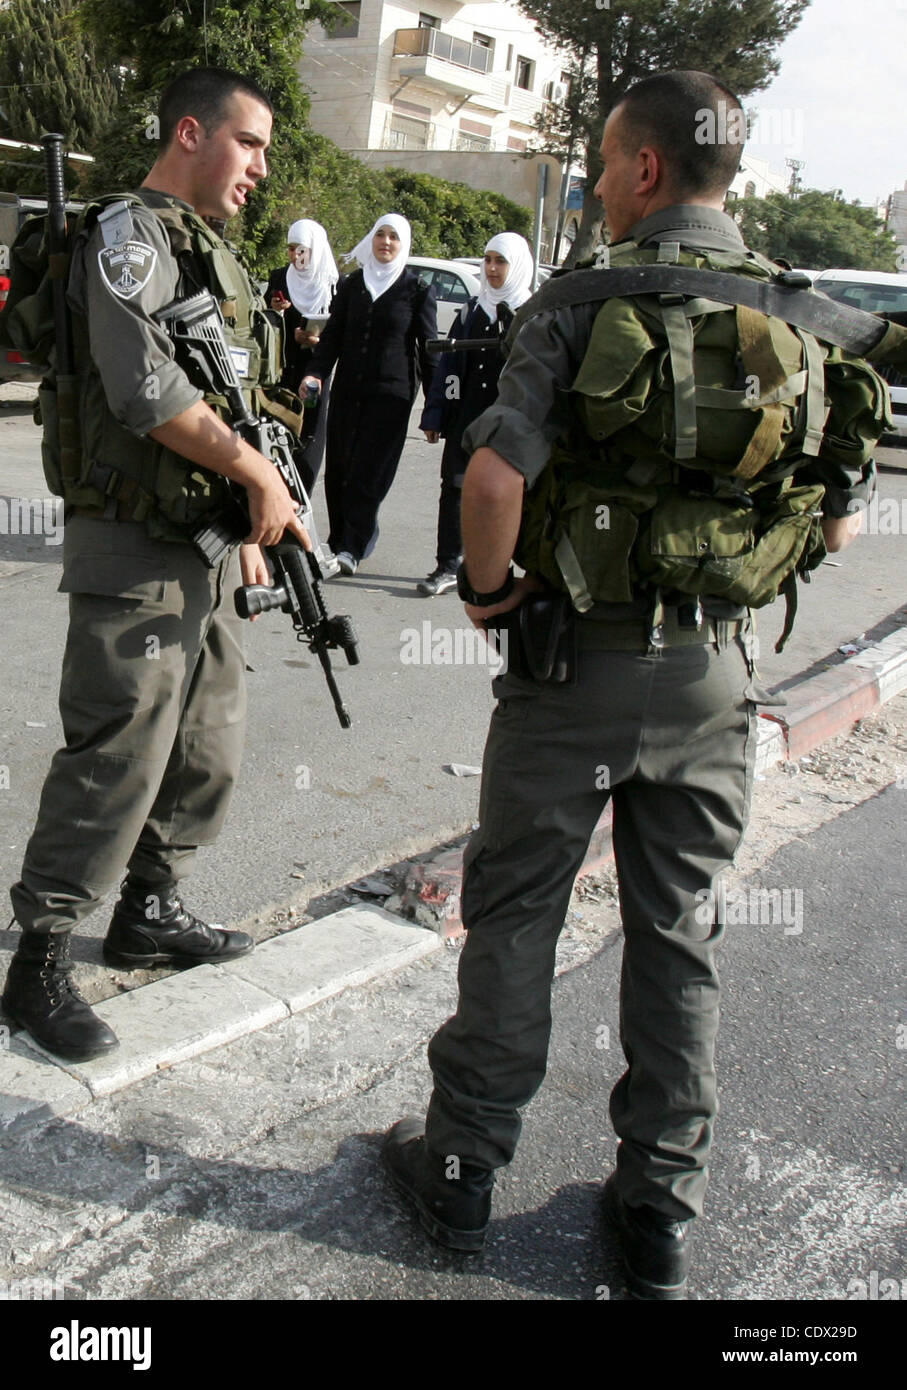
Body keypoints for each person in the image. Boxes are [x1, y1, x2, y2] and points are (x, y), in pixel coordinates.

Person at [381, 70, 888, 1299]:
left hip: (572, 668)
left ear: (648, 169)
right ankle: (659, 1206)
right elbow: (833, 526)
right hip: (717, 673)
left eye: (607, 163)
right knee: (681, 933)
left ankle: (461, 1172)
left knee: (515, 915)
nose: (599, 183)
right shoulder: (802, 318)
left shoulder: (577, 303)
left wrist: (491, 594)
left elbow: (492, 481)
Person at [1, 67, 309, 1063]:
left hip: (205, 541)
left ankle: (149, 906)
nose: (262, 166)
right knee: (119, 746)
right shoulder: (129, 234)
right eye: (249, 142)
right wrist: (252, 470)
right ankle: (39, 961)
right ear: (190, 131)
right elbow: (142, 390)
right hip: (134, 537)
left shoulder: (208, 249)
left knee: (206, 741)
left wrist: (258, 508)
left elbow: (235, 390)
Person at [302, 214, 436, 576]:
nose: (386, 243)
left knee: (370, 471)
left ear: (403, 243)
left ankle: (353, 545)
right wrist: (315, 372)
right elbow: (332, 337)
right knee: (341, 467)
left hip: (392, 396)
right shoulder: (353, 285)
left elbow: (429, 349)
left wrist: (435, 409)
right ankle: (338, 540)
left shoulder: (417, 289)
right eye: (380, 235)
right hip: (349, 390)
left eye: (394, 237)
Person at [417, 233, 533, 596]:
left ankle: (497, 572)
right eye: (488, 260)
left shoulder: (530, 313)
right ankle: (448, 565)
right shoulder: (472, 310)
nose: (493, 269)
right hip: (467, 417)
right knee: (453, 487)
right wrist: (437, 414)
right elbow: (450, 367)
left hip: (508, 421)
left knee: (505, 495)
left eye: (501, 261)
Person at [262, 218, 338, 491]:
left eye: (301, 249)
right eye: (291, 249)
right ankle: (274, 487)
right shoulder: (280, 277)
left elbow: (339, 334)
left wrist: (318, 341)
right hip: (283, 367)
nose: (296, 256)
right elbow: (264, 323)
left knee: (311, 430)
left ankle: (301, 489)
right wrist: (276, 310)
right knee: (278, 423)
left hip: (315, 369)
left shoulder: (331, 286)